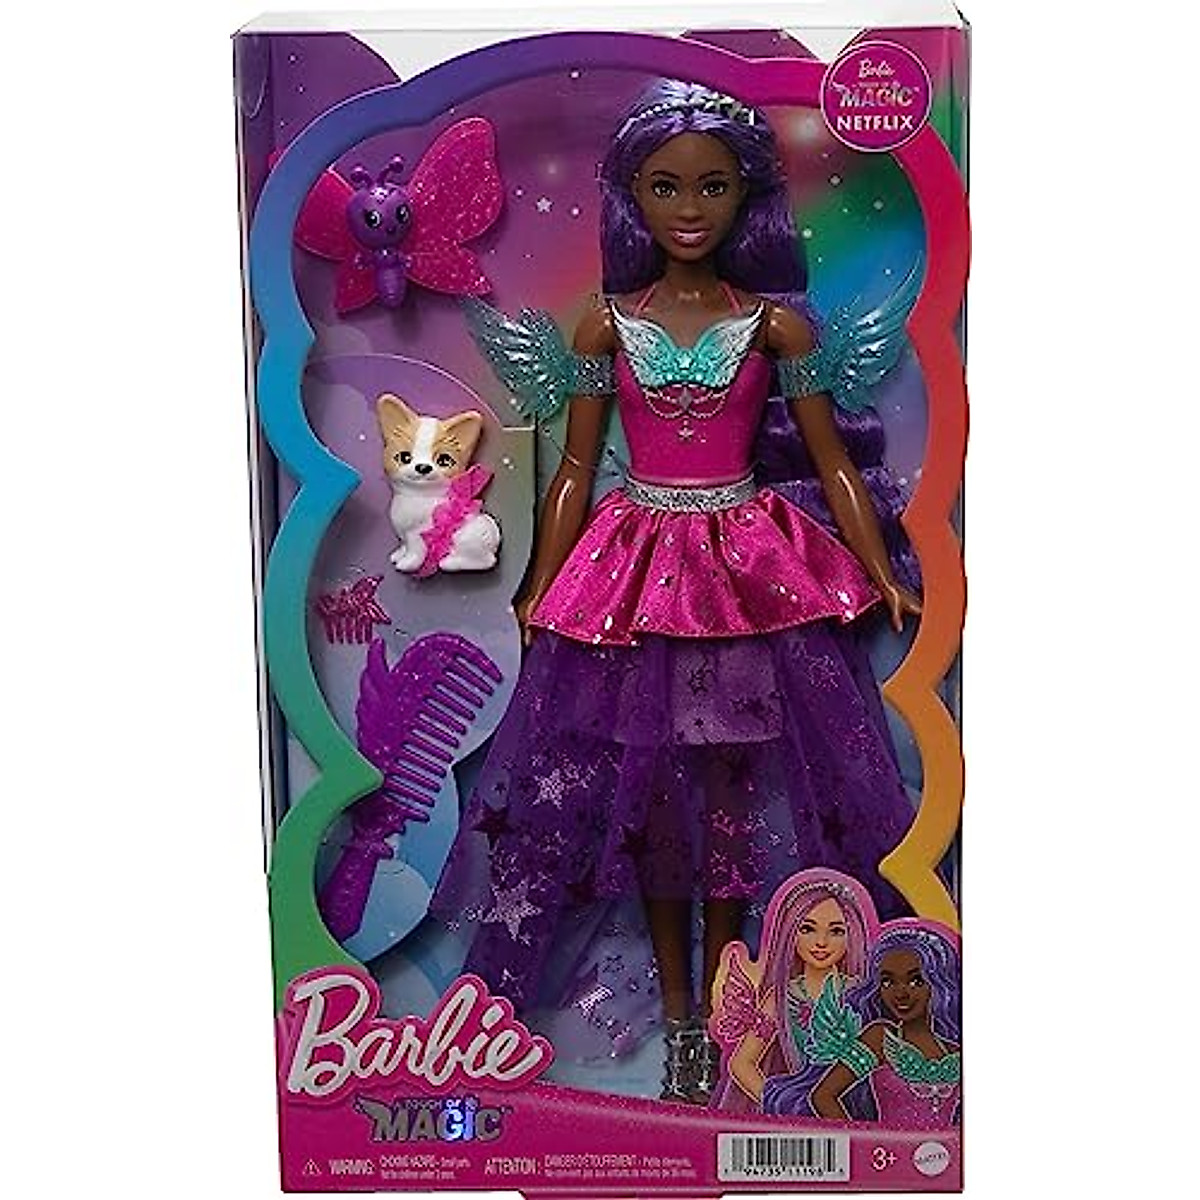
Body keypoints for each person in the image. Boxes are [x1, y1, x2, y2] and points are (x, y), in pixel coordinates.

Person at [432, 80, 920, 1103]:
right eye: (665, 187)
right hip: (634, 570)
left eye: (711, 187)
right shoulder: (604, 327)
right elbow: (574, 469)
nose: (689, 208)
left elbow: (830, 462)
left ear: (746, 197)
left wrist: (877, 566)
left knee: (728, 799)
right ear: (632, 197)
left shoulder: (776, 331)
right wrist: (538, 589)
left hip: (743, 571)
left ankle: (728, 1004)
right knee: (652, 804)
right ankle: (684, 1021)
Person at [711, 869, 876, 1110]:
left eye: (836, 931)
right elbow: (741, 1063)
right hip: (802, 1104)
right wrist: (777, 1101)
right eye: (807, 929)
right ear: (790, 932)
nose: (821, 942)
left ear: (852, 935)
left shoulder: (859, 993)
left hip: (856, 1105)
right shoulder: (782, 998)